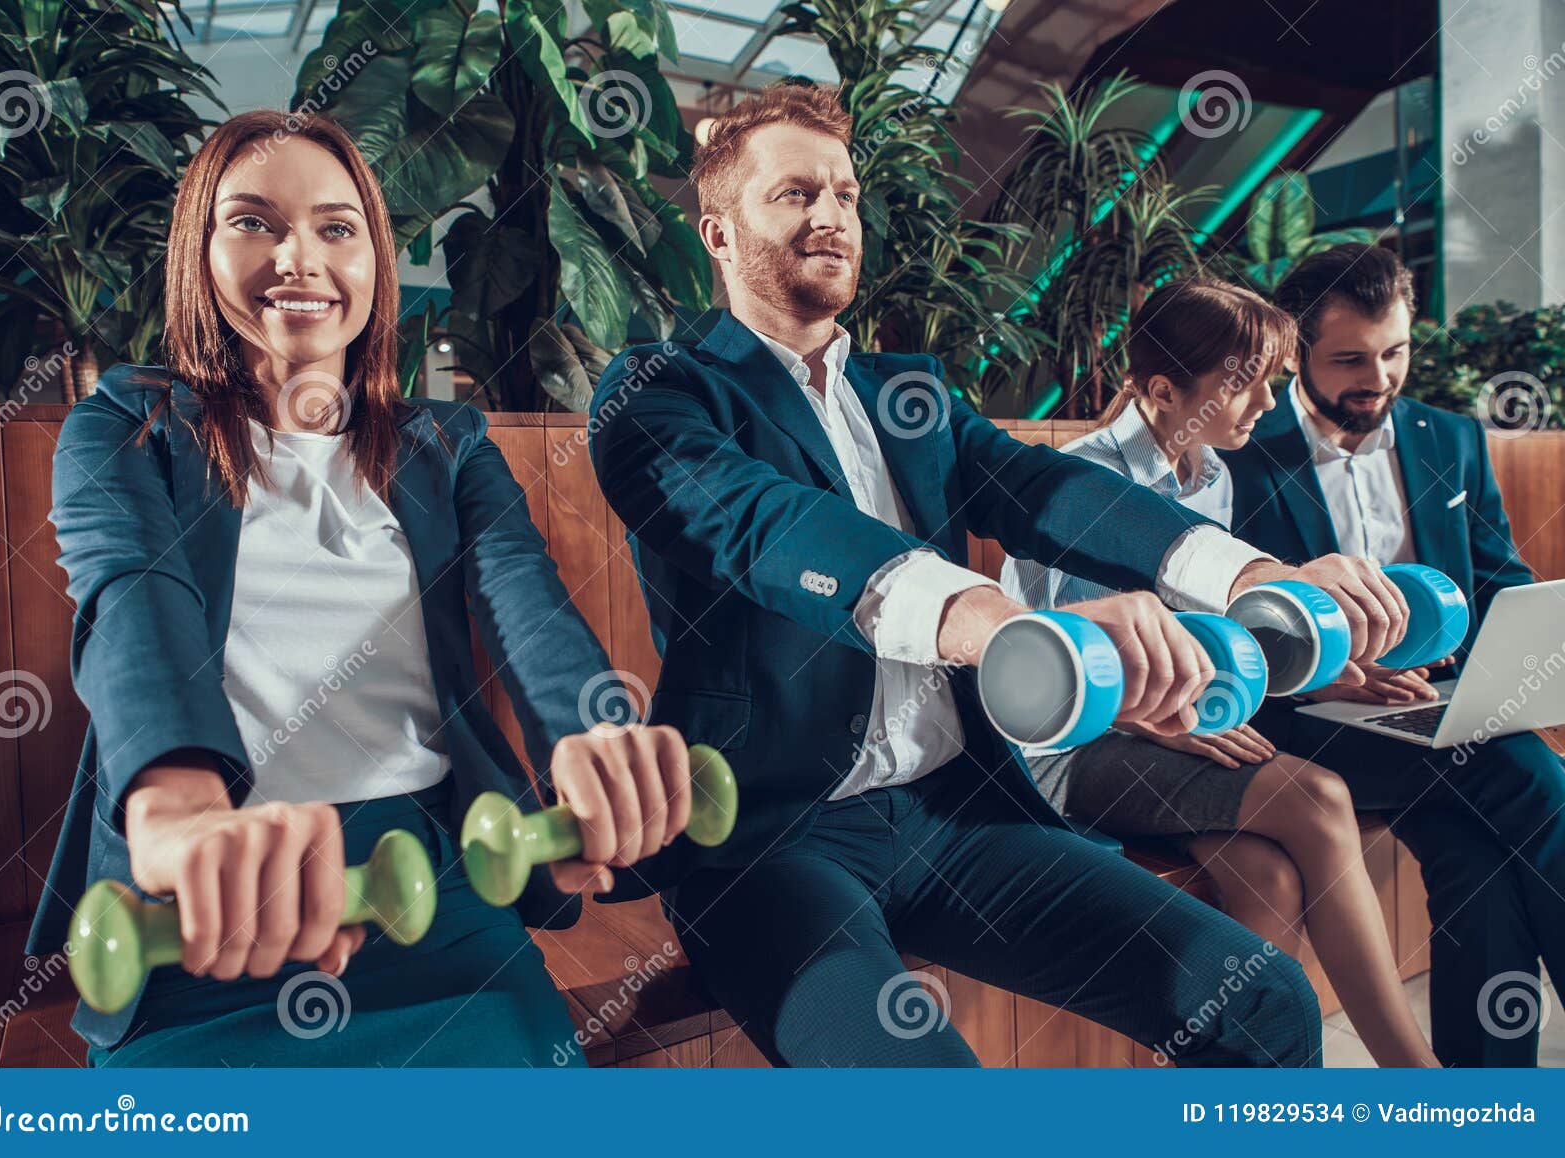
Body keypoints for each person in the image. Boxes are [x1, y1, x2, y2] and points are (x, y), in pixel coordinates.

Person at [586, 83, 1414, 1067]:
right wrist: (1007, 624)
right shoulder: (655, 395)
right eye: (795, 194)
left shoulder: (910, 397)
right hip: (771, 844)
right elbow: (775, 529)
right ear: (718, 235)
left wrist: (1246, 573)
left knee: (1263, 1001)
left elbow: (1048, 489)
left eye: (846, 195)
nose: (831, 216)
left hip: (955, 816)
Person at [26, 110, 692, 1067]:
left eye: (337, 228)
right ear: (198, 252)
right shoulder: (127, 425)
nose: (300, 257)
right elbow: (135, 605)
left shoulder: (447, 446)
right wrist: (179, 815)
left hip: (431, 887)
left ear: (376, 260)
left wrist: (594, 736)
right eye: (254, 222)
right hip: (205, 904)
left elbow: (528, 605)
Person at [1000, 278, 1437, 1067]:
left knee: (1267, 877)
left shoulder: (1211, 476)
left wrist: (1329, 674)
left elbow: (1211, 639)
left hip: (1174, 735)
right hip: (1068, 749)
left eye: (1270, 377)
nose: (1268, 403)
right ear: (1164, 390)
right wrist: (1178, 718)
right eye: (1244, 381)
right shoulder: (1081, 476)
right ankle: (1419, 1080)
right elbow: (1070, 675)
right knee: (1320, 796)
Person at [1221, 242, 1565, 1067]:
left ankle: (1483, 1111)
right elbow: (1220, 619)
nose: (1377, 376)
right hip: (1311, 724)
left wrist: (1499, 672)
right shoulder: (1241, 448)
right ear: (1297, 350)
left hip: (1445, 715)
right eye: (1348, 359)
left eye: (1396, 352)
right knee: (1526, 773)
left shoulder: (1448, 439)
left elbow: (1499, 580)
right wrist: (1328, 666)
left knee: (1476, 869)